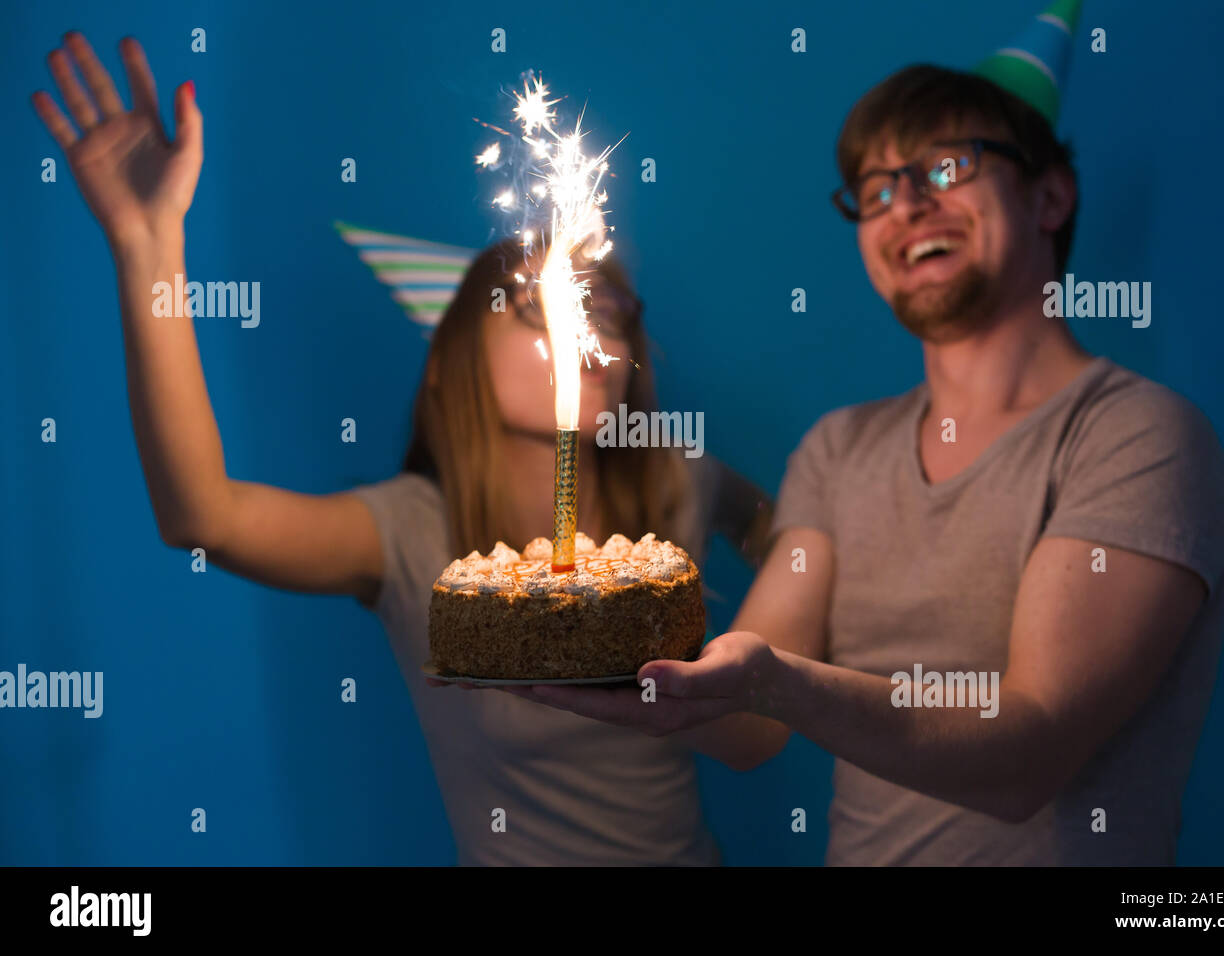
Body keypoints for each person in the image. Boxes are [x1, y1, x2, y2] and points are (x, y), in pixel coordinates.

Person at [508, 4, 1224, 866]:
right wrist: (621, 658)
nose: (909, 205)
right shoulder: (837, 450)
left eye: (949, 163)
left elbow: (1028, 757)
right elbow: (749, 725)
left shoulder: (1138, 438)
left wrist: (772, 682)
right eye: (878, 189)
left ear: (1050, 195)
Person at [31, 31, 769, 865]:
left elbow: (805, 543)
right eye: (540, 309)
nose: (586, 330)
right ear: (453, 364)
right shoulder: (411, 536)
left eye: (607, 314)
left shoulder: (681, 480)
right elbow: (202, 514)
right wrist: (148, 245)